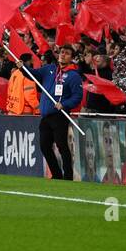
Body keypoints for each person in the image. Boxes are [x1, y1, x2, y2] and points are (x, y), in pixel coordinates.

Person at [28, 44, 84, 181]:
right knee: (44, 146)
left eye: (66, 53)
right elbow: (33, 74)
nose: (62, 54)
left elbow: (77, 97)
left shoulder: (73, 76)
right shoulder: (50, 70)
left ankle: (68, 176)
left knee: (62, 145)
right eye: (61, 52)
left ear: (72, 58)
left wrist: (64, 104)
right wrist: (22, 67)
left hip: (59, 116)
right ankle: (57, 174)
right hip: (46, 116)